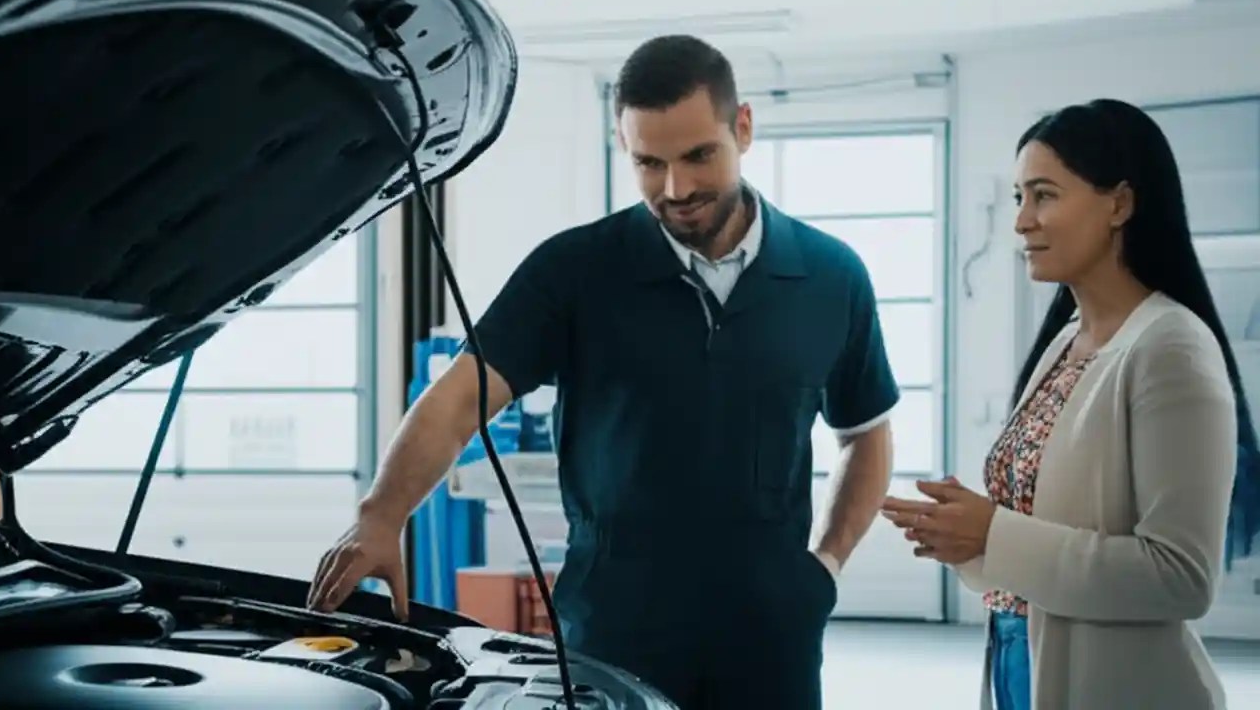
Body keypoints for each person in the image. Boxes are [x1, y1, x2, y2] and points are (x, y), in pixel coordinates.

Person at [308, 34, 899, 708]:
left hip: (773, 634)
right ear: (625, 148)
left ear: (743, 128)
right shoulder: (574, 271)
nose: (676, 189)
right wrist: (381, 515)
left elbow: (866, 434)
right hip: (616, 629)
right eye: (650, 163)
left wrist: (824, 568)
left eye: (699, 156)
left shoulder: (833, 276)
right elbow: (459, 397)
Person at [882, 98, 1260, 710]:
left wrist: (993, 533)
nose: (1021, 222)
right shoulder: (1066, 340)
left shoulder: (1172, 348)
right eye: (1018, 198)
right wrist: (967, 539)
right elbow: (1031, 538)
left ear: (1120, 203)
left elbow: (1181, 578)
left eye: (1044, 195)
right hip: (1016, 659)